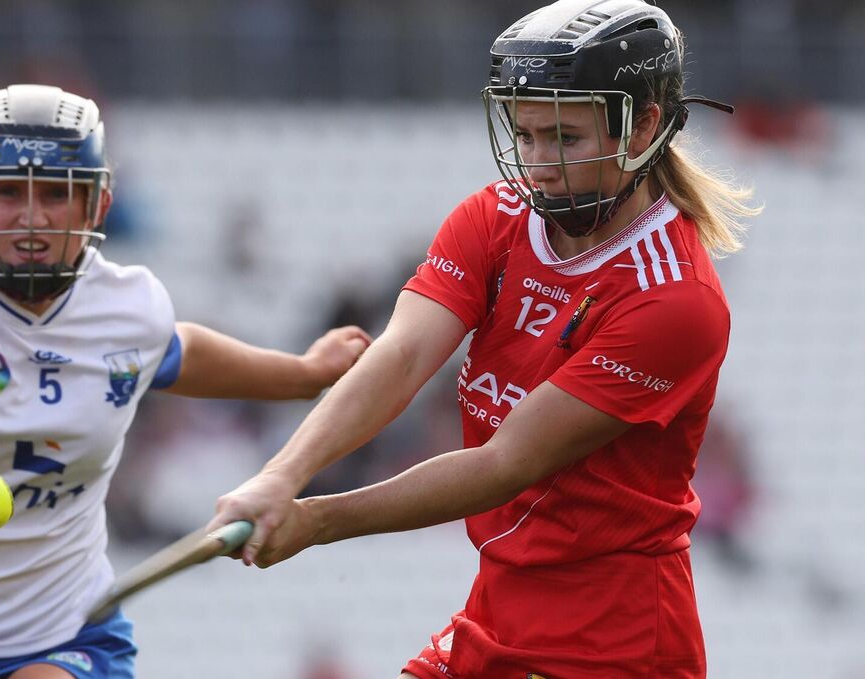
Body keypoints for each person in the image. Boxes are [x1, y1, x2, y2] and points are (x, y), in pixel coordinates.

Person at [208, 1, 760, 677]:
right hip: (499, 612)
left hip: (611, 646)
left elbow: (505, 464)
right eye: (525, 135)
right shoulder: (494, 218)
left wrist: (315, 519)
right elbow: (403, 354)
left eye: (564, 137)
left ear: (643, 124)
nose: (538, 164)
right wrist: (279, 476)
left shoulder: (674, 301)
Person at [0, 84, 370, 679]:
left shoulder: (127, 305)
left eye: (55, 196)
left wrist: (301, 375)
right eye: (7, 192)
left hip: (61, 625)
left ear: (97, 206)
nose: (31, 218)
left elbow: (176, 350)